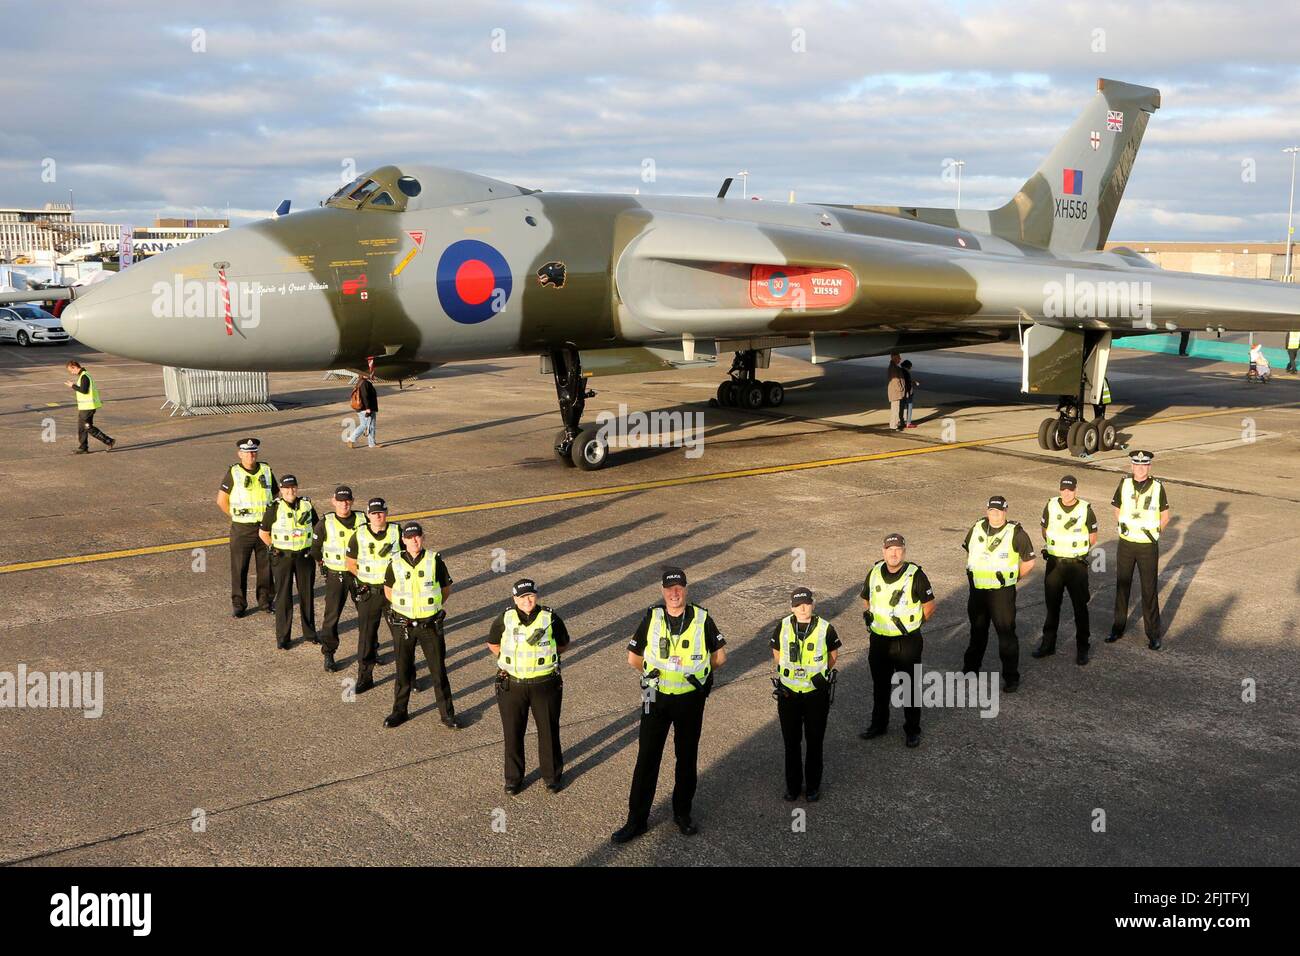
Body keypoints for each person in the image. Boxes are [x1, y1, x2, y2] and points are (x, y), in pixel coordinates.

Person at [612, 568, 727, 844]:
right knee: (647, 758)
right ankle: (636, 821)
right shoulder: (652, 617)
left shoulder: (702, 618)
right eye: (669, 589)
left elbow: (720, 656)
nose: (674, 593)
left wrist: (697, 675)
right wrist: (652, 677)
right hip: (655, 697)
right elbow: (633, 657)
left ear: (686, 589)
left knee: (686, 758)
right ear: (662, 591)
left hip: (690, 698)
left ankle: (682, 814)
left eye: (679, 588)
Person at [488, 578, 572, 795]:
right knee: (513, 732)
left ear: (537, 595)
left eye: (531, 595)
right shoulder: (505, 618)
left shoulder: (550, 617)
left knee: (548, 731)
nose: (527, 600)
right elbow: (493, 643)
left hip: (545, 685)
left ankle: (552, 777)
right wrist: (512, 662)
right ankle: (513, 779)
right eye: (522, 597)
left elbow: (562, 644)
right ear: (515, 599)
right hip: (512, 685)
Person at [860, 533, 936, 747]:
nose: (893, 553)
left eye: (898, 549)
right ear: (883, 551)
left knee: (909, 687)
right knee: (880, 686)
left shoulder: (915, 575)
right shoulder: (874, 572)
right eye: (889, 549)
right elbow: (866, 598)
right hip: (879, 641)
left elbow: (929, 607)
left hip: (907, 642)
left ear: (904, 551)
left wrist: (911, 626)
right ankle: (879, 725)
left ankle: (912, 730)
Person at [383, 522, 460, 729]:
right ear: (403, 540)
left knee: (438, 671)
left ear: (422, 537)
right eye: (410, 537)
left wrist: (430, 608)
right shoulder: (395, 561)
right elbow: (388, 590)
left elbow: (445, 589)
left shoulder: (434, 560)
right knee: (403, 671)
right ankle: (399, 712)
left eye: (417, 536)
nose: (414, 540)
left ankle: (447, 714)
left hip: (429, 625)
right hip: (403, 625)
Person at [770, 587, 840, 799]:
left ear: (813, 604)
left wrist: (815, 674)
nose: (802, 607)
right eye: (798, 604)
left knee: (814, 742)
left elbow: (833, 655)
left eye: (806, 603)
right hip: (789, 695)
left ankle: (812, 787)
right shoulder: (782, 626)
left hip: (815, 695)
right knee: (791, 743)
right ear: (792, 606)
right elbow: (777, 654)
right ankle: (792, 787)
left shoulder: (825, 628)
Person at [962, 495, 1036, 692]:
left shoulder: (1016, 533)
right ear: (987, 511)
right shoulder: (977, 527)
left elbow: (1029, 562)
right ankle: (970, 669)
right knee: (977, 632)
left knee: (1006, 635)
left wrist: (1012, 579)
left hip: (1001, 593)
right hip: (978, 591)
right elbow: (970, 551)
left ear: (1005, 511)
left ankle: (1011, 677)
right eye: (992, 511)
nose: (995, 515)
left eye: (999, 511)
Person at [1107, 450, 1170, 651]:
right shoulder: (1124, 484)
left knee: (1149, 589)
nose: (1140, 468)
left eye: (1144, 465)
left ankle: (1153, 634)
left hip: (1147, 546)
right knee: (1122, 586)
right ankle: (1117, 628)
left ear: (1149, 467)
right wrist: (1124, 525)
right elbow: (1117, 508)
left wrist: (1154, 533)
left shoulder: (1158, 487)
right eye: (1137, 465)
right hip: (1126, 543)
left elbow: (1165, 515)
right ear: (1132, 466)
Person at [1034, 475, 1098, 665]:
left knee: (1080, 608)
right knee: (1052, 607)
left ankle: (1082, 648)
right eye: (1064, 489)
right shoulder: (1051, 505)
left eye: (1070, 489)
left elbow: (1093, 536)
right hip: (1054, 564)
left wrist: (1078, 551)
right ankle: (1048, 645)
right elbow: (1044, 528)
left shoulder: (1085, 509)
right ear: (1060, 489)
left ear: (1075, 490)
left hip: (1076, 566)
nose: (1066, 493)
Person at [217, 438, 276, 618]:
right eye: (247, 452)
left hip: (264, 529)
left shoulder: (266, 470)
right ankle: (239, 604)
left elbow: (274, 495)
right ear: (240, 454)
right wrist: (236, 517)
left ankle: (265, 601)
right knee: (239, 567)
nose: (251, 455)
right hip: (242, 529)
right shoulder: (234, 472)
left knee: (266, 567)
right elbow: (221, 501)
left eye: (253, 452)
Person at [345, 497, 399, 692]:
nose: (378, 516)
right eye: (374, 513)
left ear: (386, 513)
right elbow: (350, 562)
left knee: (401, 638)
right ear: (368, 515)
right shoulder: (359, 534)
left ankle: (409, 676)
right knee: (366, 638)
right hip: (370, 594)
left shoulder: (397, 532)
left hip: (392, 595)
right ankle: (365, 678)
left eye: (381, 512)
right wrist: (365, 578)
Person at [259, 475, 318, 649]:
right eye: (286, 488)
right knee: (284, 597)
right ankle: (283, 638)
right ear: (281, 489)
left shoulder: (307, 505)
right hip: (282, 558)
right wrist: (272, 548)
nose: (290, 491)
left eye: (293, 487)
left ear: (297, 488)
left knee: (307, 595)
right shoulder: (274, 508)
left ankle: (310, 633)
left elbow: (317, 528)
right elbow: (263, 533)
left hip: (304, 557)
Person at [312, 485, 360, 672]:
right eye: (340, 500)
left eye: (347, 500)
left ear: (352, 501)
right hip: (336, 576)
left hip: (358, 575)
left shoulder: (362, 520)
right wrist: (323, 565)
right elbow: (315, 548)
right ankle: (329, 653)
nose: (344, 504)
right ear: (334, 502)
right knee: (331, 616)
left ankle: (371, 649)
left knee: (367, 616)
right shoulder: (326, 523)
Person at [64, 360, 115, 454]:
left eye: (71, 370)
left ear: (74, 367)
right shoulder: (82, 375)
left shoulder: (84, 377)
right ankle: (83, 447)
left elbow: (84, 390)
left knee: (88, 427)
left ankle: (108, 441)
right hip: (84, 407)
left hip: (88, 407)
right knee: (81, 427)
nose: (71, 373)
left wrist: (72, 386)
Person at [346, 372, 380, 448]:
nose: (372, 374)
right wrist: (368, 408)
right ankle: (352, 439)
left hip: (360, 408)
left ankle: (371, 443)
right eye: (370, 373)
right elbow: (365, 396)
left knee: (365, 425)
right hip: (366, 408)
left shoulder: (360, 382)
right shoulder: (365, 383)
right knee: (369, 426)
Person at [887, 352, 906, 431]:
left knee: (895, 409)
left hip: (895, 392)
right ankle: (893, 425)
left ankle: (894, 424)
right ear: (894, 358)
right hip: (895, 392)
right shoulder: (894, 368)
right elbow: (895, 380)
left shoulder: (894, 366)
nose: (900, 359)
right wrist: (900, 389)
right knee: (895, 410)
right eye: (899, 358)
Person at [900, 360, 919, 428]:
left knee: (901, 408)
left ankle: (902, 422)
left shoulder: (900, 371)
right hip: (907, 393)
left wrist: (913, 382)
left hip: (902, 392)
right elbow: (907, 383)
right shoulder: (906, 372)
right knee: (909, 407)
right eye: (910, 366)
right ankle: (908, 423)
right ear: (908, 366)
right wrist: (908, 392)